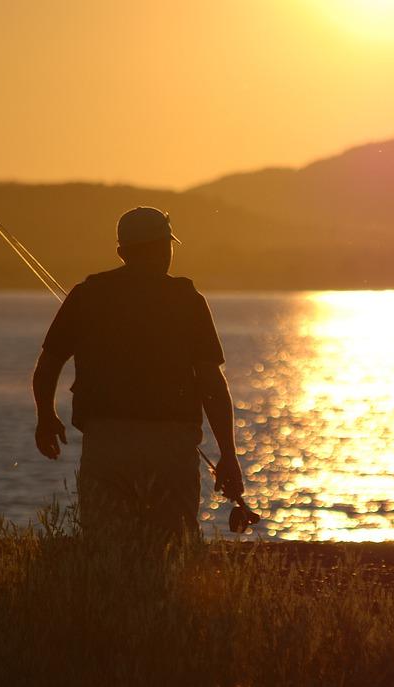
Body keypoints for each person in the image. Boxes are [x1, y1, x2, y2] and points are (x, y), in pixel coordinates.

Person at [31, 206, 245, 542]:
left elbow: (47, 366)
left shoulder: (86, 295)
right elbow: (211, 384)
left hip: (106, 443)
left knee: (106, 548)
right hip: (171, 446)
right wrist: (228, 456)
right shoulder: (187, 300)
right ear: (165, 247)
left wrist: (46, 415)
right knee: (173, 547)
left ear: (122, 252)